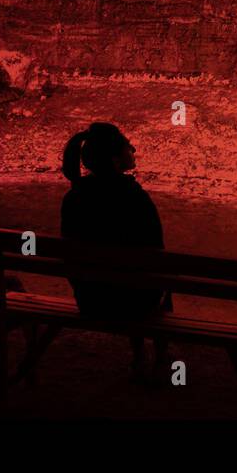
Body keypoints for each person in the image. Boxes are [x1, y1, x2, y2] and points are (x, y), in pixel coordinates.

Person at [60, 122, 170, 379]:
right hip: (131, 304)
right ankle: (159, 356)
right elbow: (156, 252)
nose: (133, 149)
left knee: (129, 276)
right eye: (127, 147)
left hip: (91, 300)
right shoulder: (133, 198)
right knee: (154, 280)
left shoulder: (74, 197)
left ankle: (141, 356)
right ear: (114, 158)